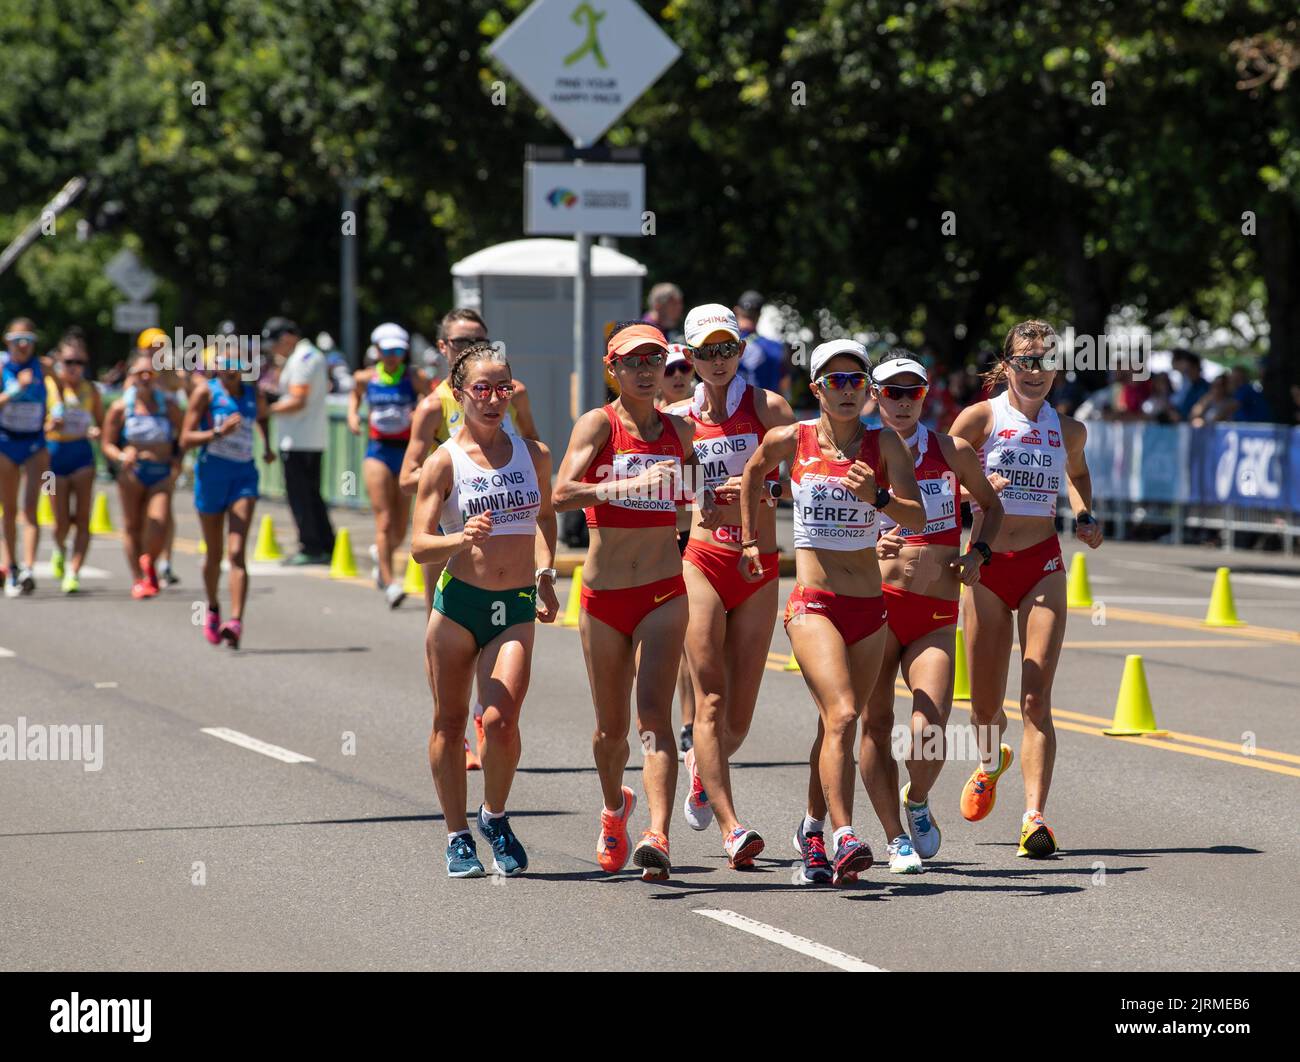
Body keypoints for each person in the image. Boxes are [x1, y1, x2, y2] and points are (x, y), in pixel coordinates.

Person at [806, 351, 1003, 874]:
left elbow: (991, 506)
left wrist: (977, 554)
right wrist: (869, 548)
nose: (900, 402)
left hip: (935, 611)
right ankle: (895, 838)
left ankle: (917, 799)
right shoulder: (862, 450)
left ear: (924, 397)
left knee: (929, 727)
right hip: (877, 606)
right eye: (890, 392)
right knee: (873, 724)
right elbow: (828, 526)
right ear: (875, 395)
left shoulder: (951, 450)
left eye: (910, 392)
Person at [739, 339, 925, 885]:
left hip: (869, 608)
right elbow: (753, 475)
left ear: (868, 389)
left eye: (856, 381)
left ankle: (812, 829)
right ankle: (846, 835)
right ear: (816, 387)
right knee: (843, 714)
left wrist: (882, 499)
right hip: (812, 603)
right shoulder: (788, 439)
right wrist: (753, 541)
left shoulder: (885, 445)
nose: (847, 391)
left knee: (836, 727)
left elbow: (917, 517)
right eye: (835, 381)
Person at [553, 322, 714, 881]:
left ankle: (658, 836)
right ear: (612, 369)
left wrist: (720, 503)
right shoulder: (600, 424)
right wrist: (627, 487)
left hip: (664, 592)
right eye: (633, 362)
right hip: (603, 597)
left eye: (655, 360)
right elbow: (559, 495)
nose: (646, 371)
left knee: (655, 719)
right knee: (609, 731)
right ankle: (615, 808)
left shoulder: (680, 431)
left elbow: (700, 498)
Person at [949, 320, 1103, 859]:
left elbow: (1078, 475)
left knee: (1036, 694)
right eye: (1025, 362)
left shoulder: (1070, 430)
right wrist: (976, 487)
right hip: (987, 568)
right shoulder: (982, 417)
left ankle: (1034, 817)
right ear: (1007, 365)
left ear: (1058, 368)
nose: (1035, 372)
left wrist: (1085, 513)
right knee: (985, 707)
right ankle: (991, 762)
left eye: (1045, 362)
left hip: (1042, 564)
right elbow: (935, 472)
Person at [411, 341, 558, 877]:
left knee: (500, 720)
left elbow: (543, 522)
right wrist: (459, 539)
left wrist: (545, 574)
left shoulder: (534, 455)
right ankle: (456, 836)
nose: (495, 399)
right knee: (450, 722)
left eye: (504, 389)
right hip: (458, 607)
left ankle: (494, 814)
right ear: (459, 394)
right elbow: (419, 545)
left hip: (515, 603)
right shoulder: (442, 462)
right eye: (482, 389)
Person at [667, 304, 795, 868]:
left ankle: (701, 771)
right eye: (705, 351)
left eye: (726, 349)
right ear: (689, 357)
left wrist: (762, 494)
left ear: (740, 351)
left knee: (738, 717)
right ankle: (732, 826)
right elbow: (662, 487)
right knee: (711, 698)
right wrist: (693, 496)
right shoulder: (675, 418)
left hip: (760, 565)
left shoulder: (770, 408)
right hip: (702, 560)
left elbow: (796, 482)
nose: (717, 360)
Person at [400, 308, 532, 769]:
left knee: (498, 650)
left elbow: (534, 454)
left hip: (507, 526)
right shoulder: (435, 405)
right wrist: (456, 473)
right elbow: (408, 475)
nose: (470, 348)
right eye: (460, 343)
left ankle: (484, 716)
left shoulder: (514, 395)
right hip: (452, 529)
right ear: (444, 349)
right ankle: (452, 726)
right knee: (448, 630)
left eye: (478, 339)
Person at [181, 347, 273, 648]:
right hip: (211, 477)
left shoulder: (252, 393)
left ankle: (236, 621)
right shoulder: (205, 394)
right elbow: (185, 438)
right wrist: (217, 433)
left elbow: (262, 417)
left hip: (243, 477)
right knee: (214, 552)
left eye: (237, 365)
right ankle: (213, 608)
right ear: (216, 367)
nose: (231, 371)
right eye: (225, 365)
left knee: (236, 552)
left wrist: (267, 446)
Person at [348, 322, 431, 608]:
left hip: (407, 453)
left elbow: (431, 398)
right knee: (383, 520)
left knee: (399, 525)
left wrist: (421, 406)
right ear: (378, 350)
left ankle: (380, 557)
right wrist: (352, 416)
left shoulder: (414, 377)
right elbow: (354, 395)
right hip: (379, 451)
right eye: (388, 350)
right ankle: (389, 581)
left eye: (399, 350)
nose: (394, 355)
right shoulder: (366, 378)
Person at [100, 353, 184, 599]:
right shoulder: (120, 408)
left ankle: (150, 563)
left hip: (160, 473)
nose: (146, 377)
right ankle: (138, 578)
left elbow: (184, 434)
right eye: (140, 373)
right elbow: (107, 444)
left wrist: (177, 460)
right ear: (131, 376)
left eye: (150, 373)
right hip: (132, 475)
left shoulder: (168, 405)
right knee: (133, 526)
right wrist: (120, 456)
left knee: (158, 521)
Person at [264, 317, 334, 565]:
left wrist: (268, 409)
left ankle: (312, 545)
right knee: (310, 495)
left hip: (300, 439)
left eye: (275, 343)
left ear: (287, 337)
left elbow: (297, 400)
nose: (274, 349)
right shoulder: (305, 357)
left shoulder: (304, 358)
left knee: (301, 497)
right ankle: (325, 543)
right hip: (304, 438)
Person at [657, 342, 697, 757]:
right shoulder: (653, 421)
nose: (679, 375)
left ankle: (690, 721)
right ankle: (664, 719)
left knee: (696, 638)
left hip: (699, 535)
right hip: (663, 537)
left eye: (685, 367)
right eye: (670, 370)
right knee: (673, 638)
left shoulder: (701, 419)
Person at [45, 337, 105, 593]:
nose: (74, 367)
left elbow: (102, 424)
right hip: (52, 457)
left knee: (82, 518)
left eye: (79, 362)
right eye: (69, 361)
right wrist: (48, 426)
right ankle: (59, 548)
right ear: (59, 361)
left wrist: (95, 431)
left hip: (81, 455)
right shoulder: (49, 387)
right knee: (59, 521)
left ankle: (74, 571)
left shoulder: (91, 390)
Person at [0, 319, 52, 597]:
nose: (23, 345)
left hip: (34, 442)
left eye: (29, 339)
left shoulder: (43, 367)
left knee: (30, 507)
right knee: (9, 509)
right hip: (6, 441)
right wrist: (14, 391)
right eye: (18, 339)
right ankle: (12, 567)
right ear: (7, 341)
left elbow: (61, 391)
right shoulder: (2, 367)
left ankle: (29, 569)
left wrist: (58, 411)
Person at [137, 327, 187, 586]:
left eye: (161, 346)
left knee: (165, 508)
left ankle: (165, 562)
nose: (158, 351)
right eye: (153, 347)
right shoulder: (137, 376)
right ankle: (147, 559)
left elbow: (191, 389)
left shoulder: (171, 374)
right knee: (144, 512)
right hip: (141, 455)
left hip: (169, 450)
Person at [734, 290, 787, 395]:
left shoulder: (719, 345)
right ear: (760, 315)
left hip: (729, 409)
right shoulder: (776, 348)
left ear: (736, 311)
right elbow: (785, 385)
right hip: (765, 408)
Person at [1171, 350, 1210, 422]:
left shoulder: (1206, 387)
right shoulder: (1187, 386)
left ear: (1196, 367)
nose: (1188, 373)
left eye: (1189, 369)